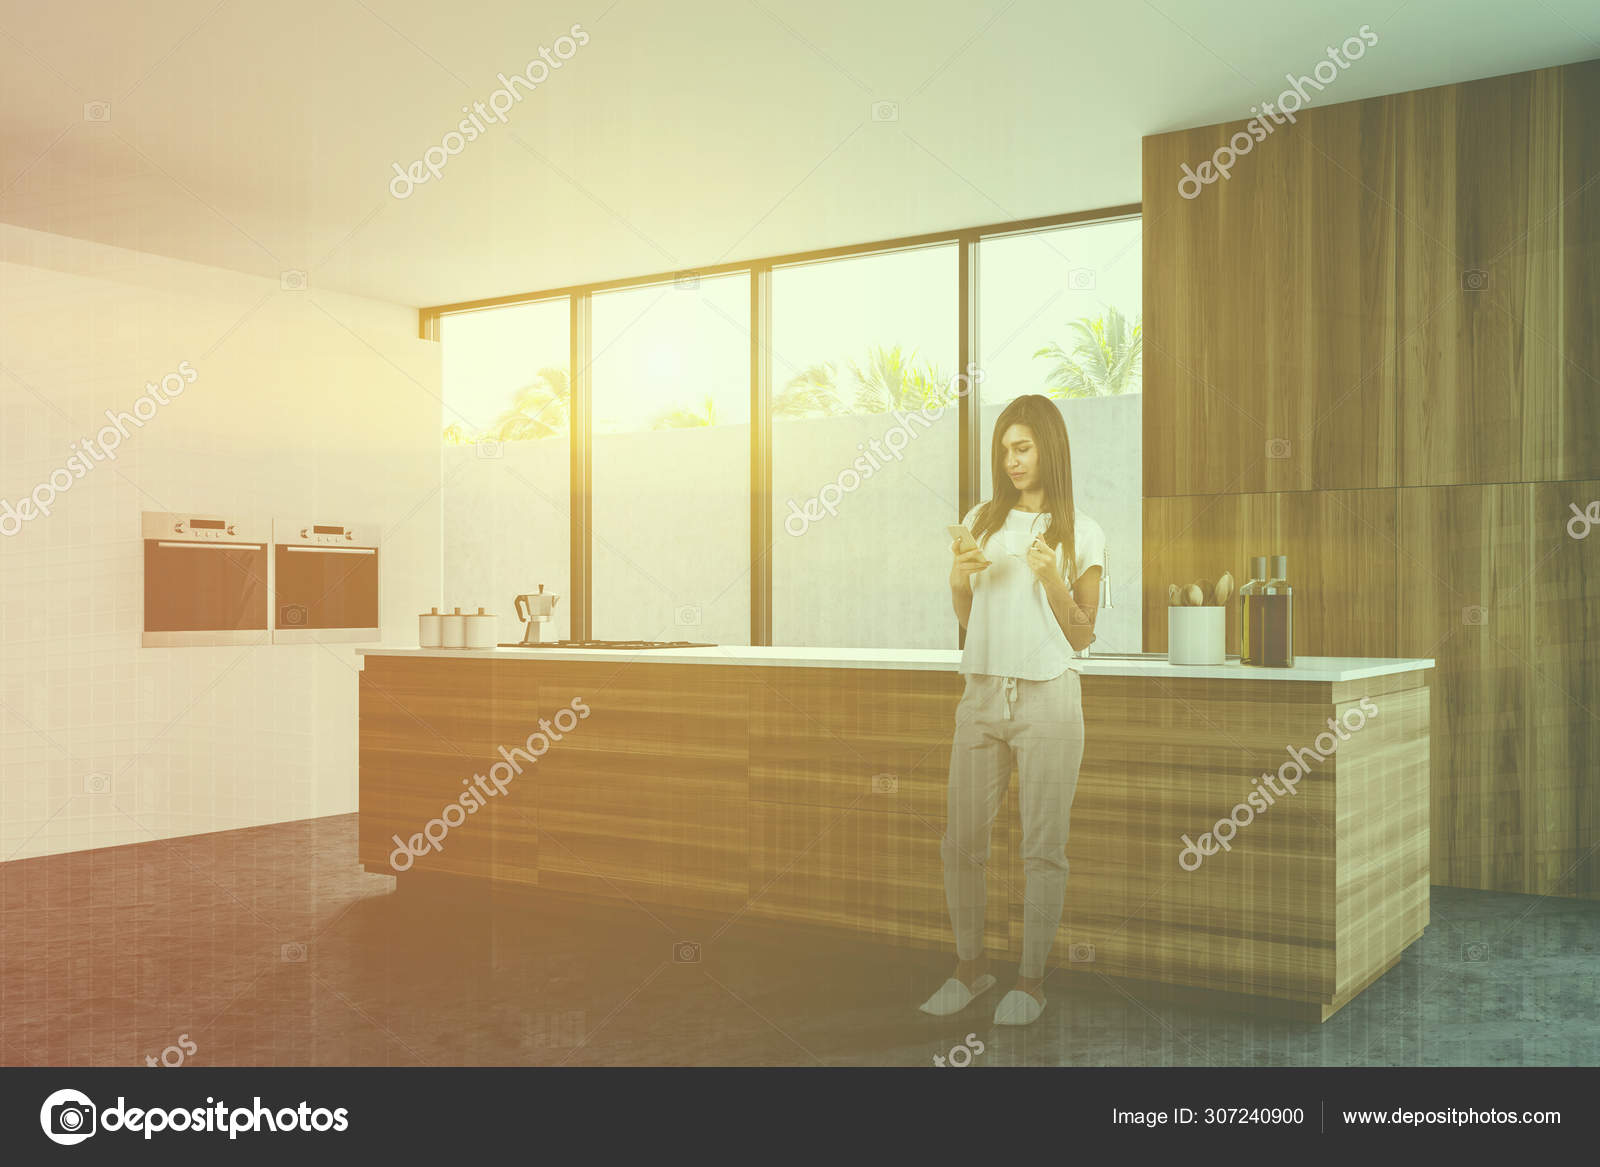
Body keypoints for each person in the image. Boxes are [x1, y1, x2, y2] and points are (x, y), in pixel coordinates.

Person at [919, 394, 1105, 1026]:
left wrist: (1051, 577)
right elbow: (971, 619)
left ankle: (1030, 981)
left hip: (1048, 697)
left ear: (1048, 447)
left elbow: (1082, 636)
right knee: (960, 843)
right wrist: (955, 577)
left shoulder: (1082, 529)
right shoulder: (983, 518)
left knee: (1042, 848)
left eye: (1022, 447)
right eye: (1004, 449)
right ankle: (970, 970)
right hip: (981, 695)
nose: (1011, 459)